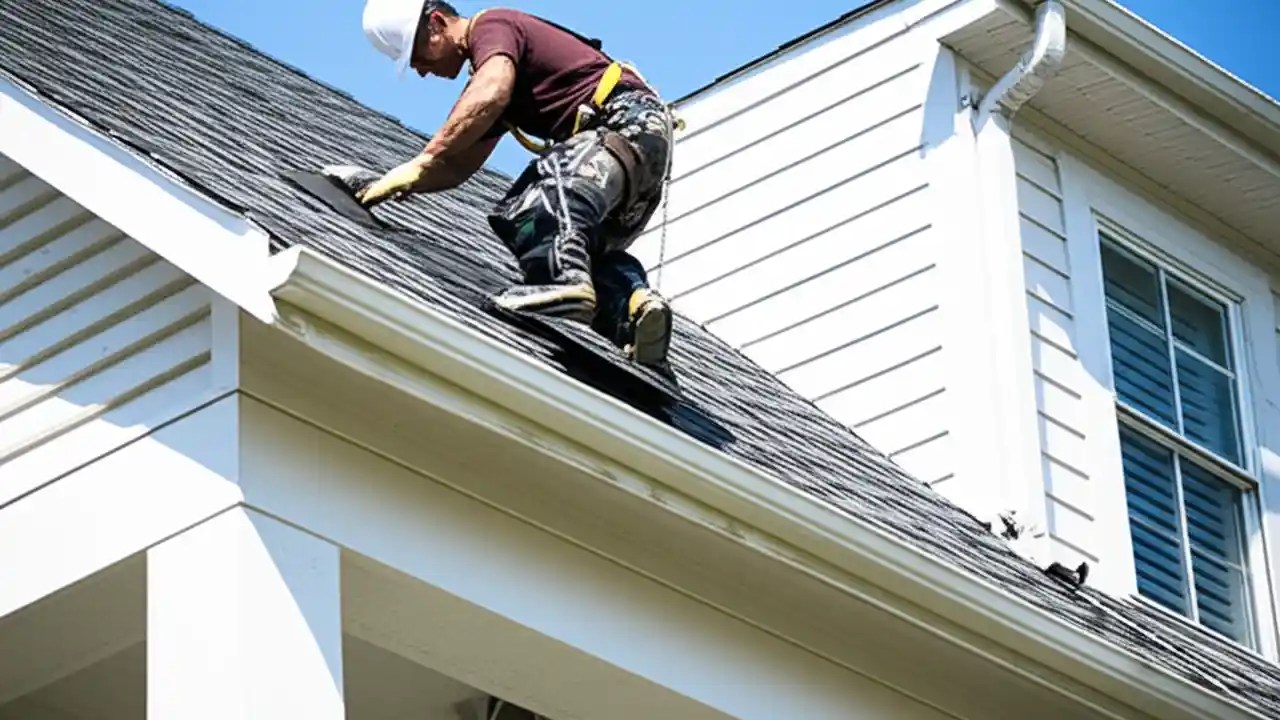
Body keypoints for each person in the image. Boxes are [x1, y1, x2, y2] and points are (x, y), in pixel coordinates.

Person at [352, 0, 676, 369]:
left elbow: (490, 93)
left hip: (622, 123)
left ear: (438, 23)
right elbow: (458, 165)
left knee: (529, 206)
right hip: (637, 152)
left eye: (417, 56)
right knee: (588, 248)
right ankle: (635, 311)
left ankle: (565, 281)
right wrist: (390, 184)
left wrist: (425, 155)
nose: (422, 72)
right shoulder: (495, 69)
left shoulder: (492, 27)